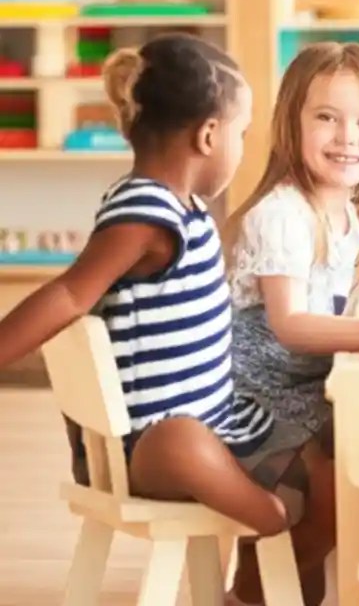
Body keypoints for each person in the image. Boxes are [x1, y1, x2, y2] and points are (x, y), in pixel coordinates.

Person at [0, 35, 335, 605]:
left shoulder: (182, 208)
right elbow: (68, 295)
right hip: (151, 443)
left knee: (330, 459)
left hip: (218, 421)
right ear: (208, 135)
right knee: (181, 441)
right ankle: (259, 515)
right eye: (241, 133)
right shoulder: (146, 212)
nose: (240, 147)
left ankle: (255, 589)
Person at [223, 42, 359, 450]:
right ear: (293, 123)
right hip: (253, 402)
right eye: (326, 117)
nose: (347, 138)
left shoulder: (354, 220)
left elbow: (329, 322)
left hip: (301, 383)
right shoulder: (282, 214)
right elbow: (291, 325)